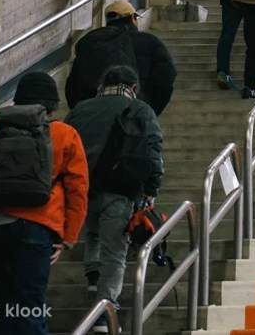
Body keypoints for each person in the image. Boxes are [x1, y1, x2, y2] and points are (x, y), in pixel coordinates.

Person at [0, 72, 89, 335]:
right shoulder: (64, 133)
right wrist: (68, 236)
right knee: (29, 302)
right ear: (52, 106)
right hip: (37, 225)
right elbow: (78, 188)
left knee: (2, 295)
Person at [64, 66, 163, 319]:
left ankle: (92, 276)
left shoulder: (80, 109)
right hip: (121, 189)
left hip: (82, 189)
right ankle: (105, 307)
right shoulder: (140, 110)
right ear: (134, 88)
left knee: (93, 233)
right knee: (115, 250)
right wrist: (151, 189)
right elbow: (153, 151)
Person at [65, 1, 177, 116]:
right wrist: (150, 109)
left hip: (91, 114)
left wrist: (81, 110)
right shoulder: (150, 42)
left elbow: (73, 83)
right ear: (133, 18)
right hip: (135, 114)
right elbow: (167, 76)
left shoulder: (89, 42)